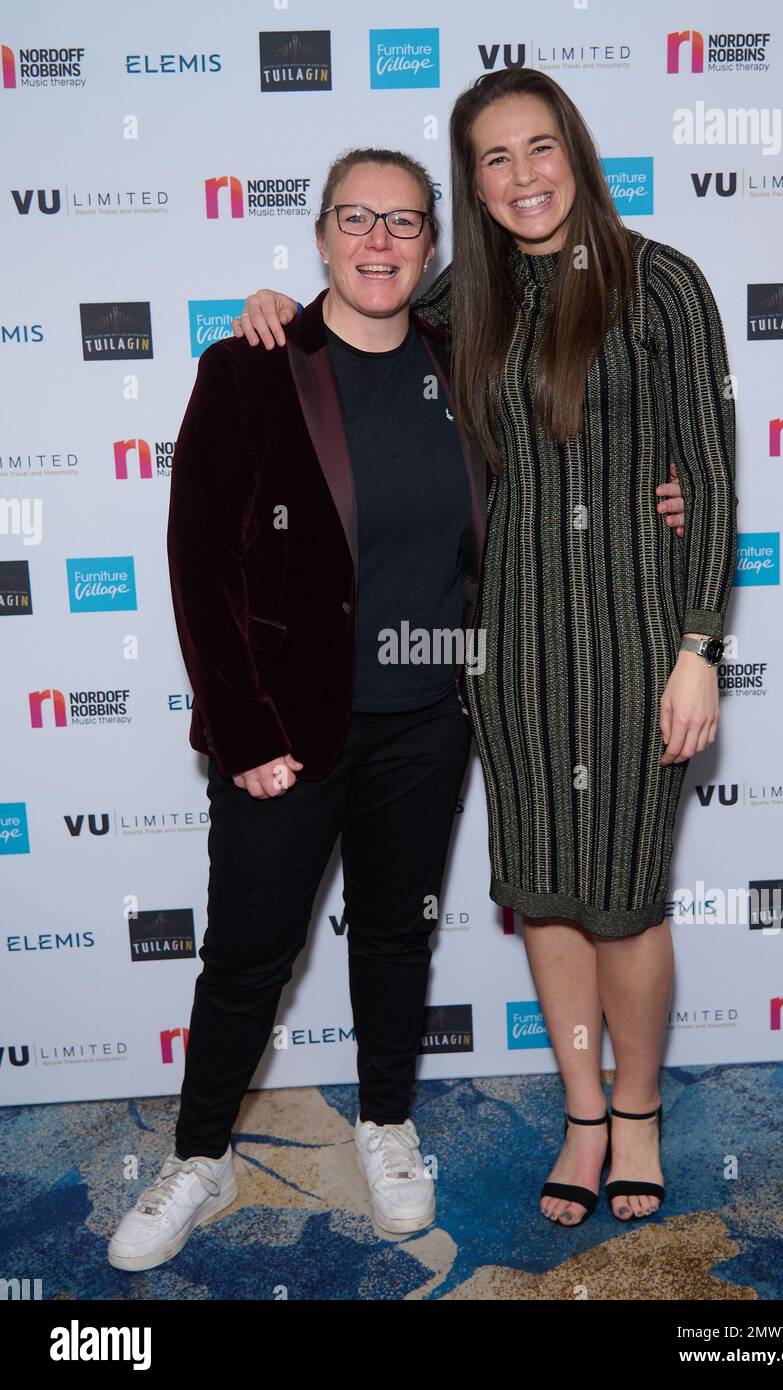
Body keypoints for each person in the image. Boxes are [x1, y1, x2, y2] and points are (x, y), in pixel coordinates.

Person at [235, 68, 735, 1231]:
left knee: (626, 898)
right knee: (548, 898)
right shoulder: (465, 296)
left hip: (633, 640)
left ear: (577, 151)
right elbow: (359, 327)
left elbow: (706, 477)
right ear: (472, 182)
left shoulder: (665, 285)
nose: (522, 177)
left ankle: (642, 1107)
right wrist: (276, 313)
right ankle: (581, 1111)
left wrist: (699, 643)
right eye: (493, 160)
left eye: (539, 147)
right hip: (505, 649)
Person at [108, 148, 490, 1271]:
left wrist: (660, 492)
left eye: (405, 224)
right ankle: (200, 1151)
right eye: (358, 220)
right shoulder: (253, 364)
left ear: (429, 246)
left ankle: (384, 1122)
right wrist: (245, 727)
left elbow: (550, 484)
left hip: (431, 715)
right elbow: (199, 561)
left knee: (393, 933)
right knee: (247, 951)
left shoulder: (462, 366)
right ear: (321, 236)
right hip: (289, 725)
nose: (381, 242)